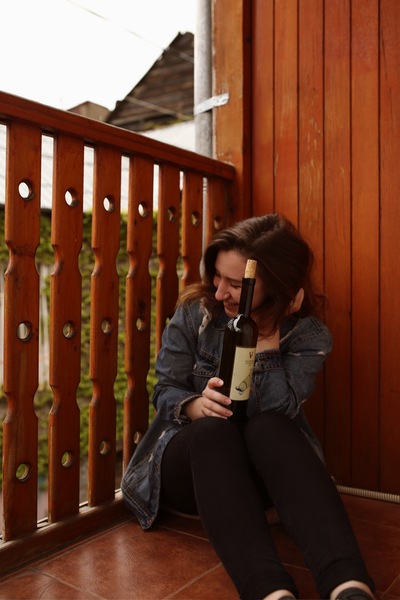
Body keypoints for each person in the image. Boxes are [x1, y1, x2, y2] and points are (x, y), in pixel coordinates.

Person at [122, 214, 375, 600]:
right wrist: (195, 406)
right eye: (217, 276)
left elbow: (278, 411)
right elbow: (165, 389)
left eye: (236, 284)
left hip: (262, 482)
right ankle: (268, 592)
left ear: (276, 287)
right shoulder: (197, 312)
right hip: (191, 468)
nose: (220, 291)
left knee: (270, 425)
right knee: (213, 430)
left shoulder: (308, 336)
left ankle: (349, 585)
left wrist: (268, 338)